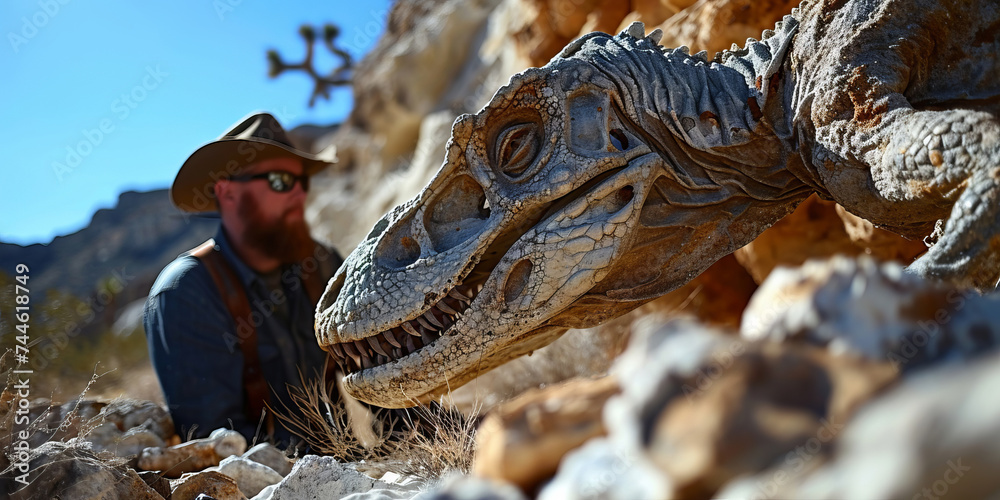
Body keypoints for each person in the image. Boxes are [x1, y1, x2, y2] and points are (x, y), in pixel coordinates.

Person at [143, 112, 342, 445]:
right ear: (228, 192)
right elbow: (219, 445)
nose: (299, 195)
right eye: (280, 181)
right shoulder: (185, 293)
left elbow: (381, 386)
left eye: (302, 181)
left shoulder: (321, 264)